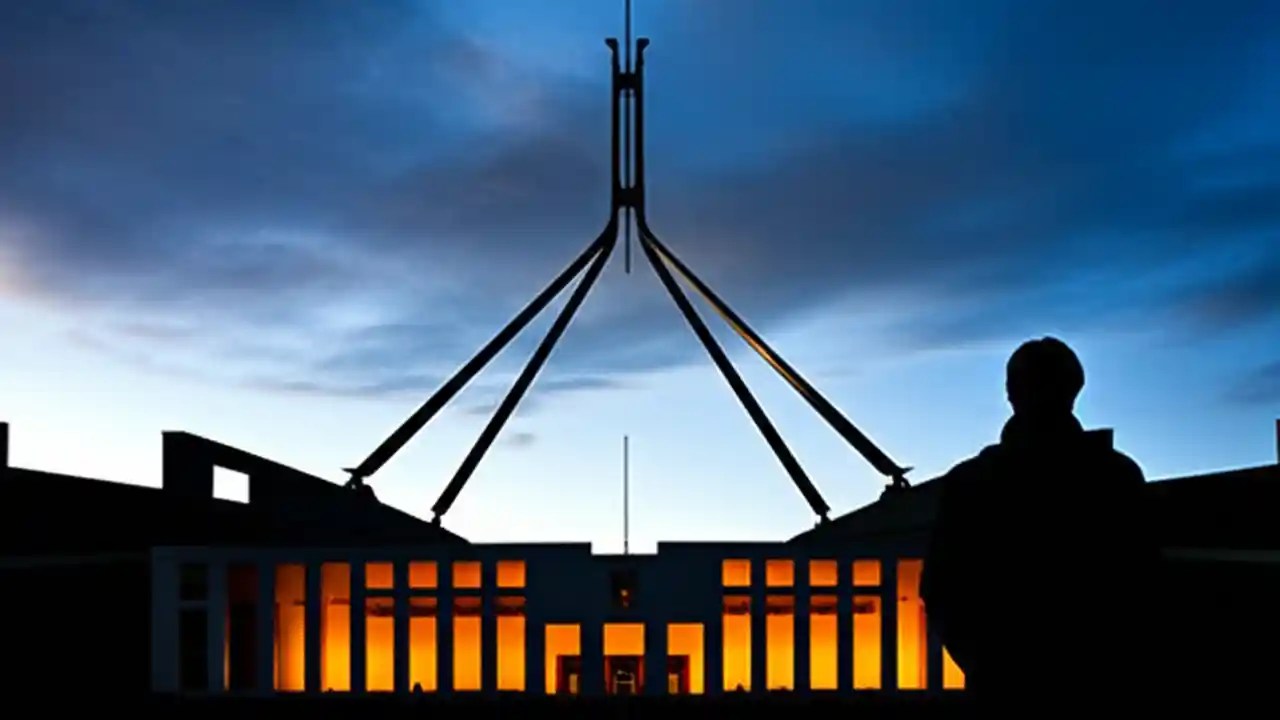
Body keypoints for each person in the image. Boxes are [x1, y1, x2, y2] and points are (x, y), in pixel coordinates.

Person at [919, 337, 1160, 707]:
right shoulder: (1117, 478)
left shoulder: (969, 483)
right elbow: (1141, 583)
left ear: (1010, 393)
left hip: (1002, 685)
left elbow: (941, 589)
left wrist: (987, 665)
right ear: (1075, 389)